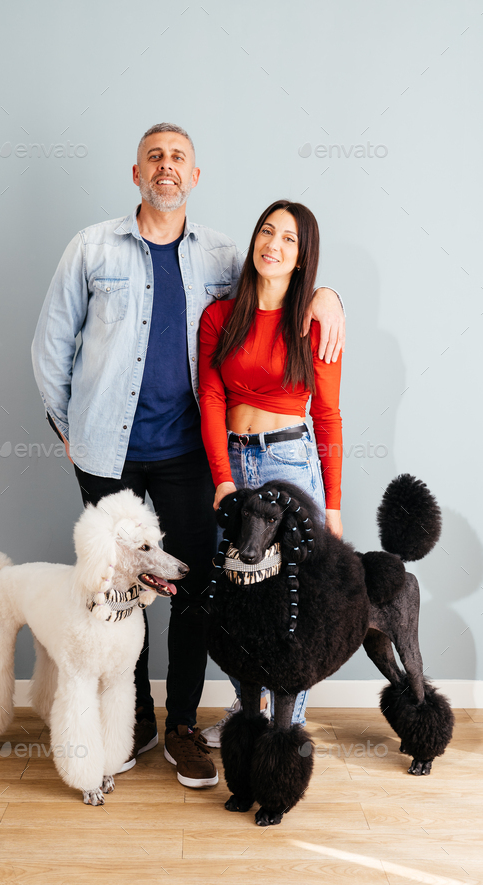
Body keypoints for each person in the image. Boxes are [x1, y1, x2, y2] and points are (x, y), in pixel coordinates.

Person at [32, 125, 345, 790]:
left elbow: (280, 285)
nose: (166, 167)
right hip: (107, 451)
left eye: (178, 158)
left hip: (188, 454)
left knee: (195, 589)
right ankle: (133, 720)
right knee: (119, 594)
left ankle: (181, 724)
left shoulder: (225, 254)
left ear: (195, 177)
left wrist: (327, 296)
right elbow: (51, 342)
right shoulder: (91, 247)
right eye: (155, 157)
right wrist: (66, 424)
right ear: (136, 171)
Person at [198, 199, 343, 747]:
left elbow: (327, 415)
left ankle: (289, 726)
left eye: (289, 239)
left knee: (293, 598)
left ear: (303, 258)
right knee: (236, 591)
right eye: (266, 231)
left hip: (291, 462)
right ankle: (248, 714)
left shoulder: (313, 323)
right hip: (233, 460)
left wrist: (331, 505)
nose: (273, 245)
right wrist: (223, 478)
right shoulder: (219, 316)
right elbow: (211, 397)